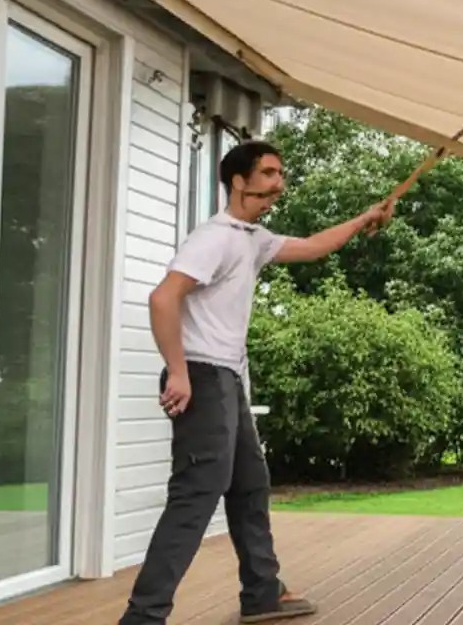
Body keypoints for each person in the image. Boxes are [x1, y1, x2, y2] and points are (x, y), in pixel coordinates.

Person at [119, 139, 388, 624]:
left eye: (280, 174)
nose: (277, 183)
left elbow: (311, 247)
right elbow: (164, 299)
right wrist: (178, 371)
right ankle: (143, 616)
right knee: (196, 494)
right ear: (239, 181)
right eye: (267, 174)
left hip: (225, 379)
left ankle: (262, 592)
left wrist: (364, 217)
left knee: (248, 486)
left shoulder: (252, 237)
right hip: (201, 375)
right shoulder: (215, 237)